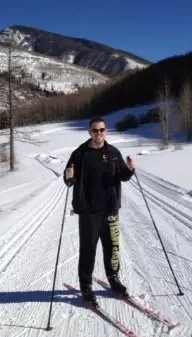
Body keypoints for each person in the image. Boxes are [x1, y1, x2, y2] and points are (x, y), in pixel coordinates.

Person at [63, 117, 136, 304]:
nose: (99, 133)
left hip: (110, 210)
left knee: (112, 248)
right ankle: (86, 287)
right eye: (95, 130)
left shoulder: (113, 152)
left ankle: (114, 279)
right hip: (88, 212)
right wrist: (68, 176)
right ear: (89, 132)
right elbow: (69, 179)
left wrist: (129, 170)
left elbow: (122, 176)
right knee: (88, 250)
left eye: (102, 130)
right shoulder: (79, 154)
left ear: (106, 131)